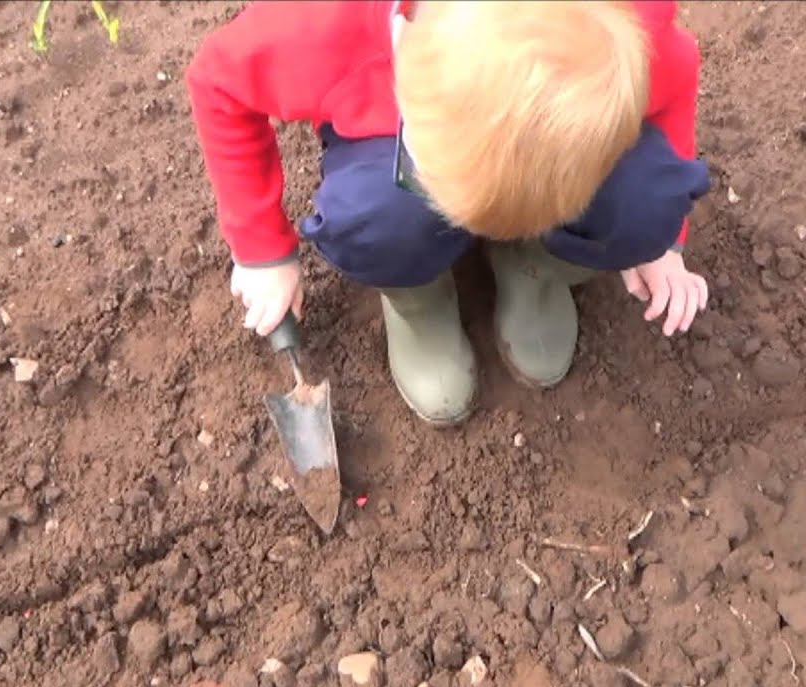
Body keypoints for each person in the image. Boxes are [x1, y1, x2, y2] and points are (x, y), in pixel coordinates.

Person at [186, 0, 710, 427]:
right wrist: (262, 252)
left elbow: (678, 77)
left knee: (646, 201)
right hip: (376, 137)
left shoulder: (612, 35)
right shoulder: (319, 25)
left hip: (558, 112)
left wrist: (664, 244)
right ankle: (419, 302)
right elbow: (218, 85)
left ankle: (534, 271)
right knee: (374, 214)